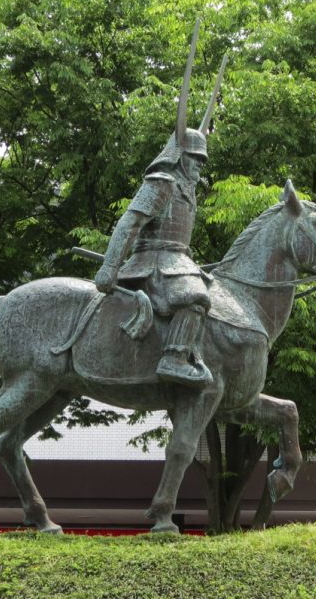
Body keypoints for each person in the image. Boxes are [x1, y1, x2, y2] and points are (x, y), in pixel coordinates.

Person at [94, 28, 225, 388]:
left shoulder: (188, 190)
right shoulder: (162, 183)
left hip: (176, 262)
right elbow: (130, 222)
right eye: (194, 159)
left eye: (202, 161)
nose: (199, 166)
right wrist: (110, 265)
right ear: (180, 156)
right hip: (152, 263)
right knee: (196, 298)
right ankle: (173, 359)